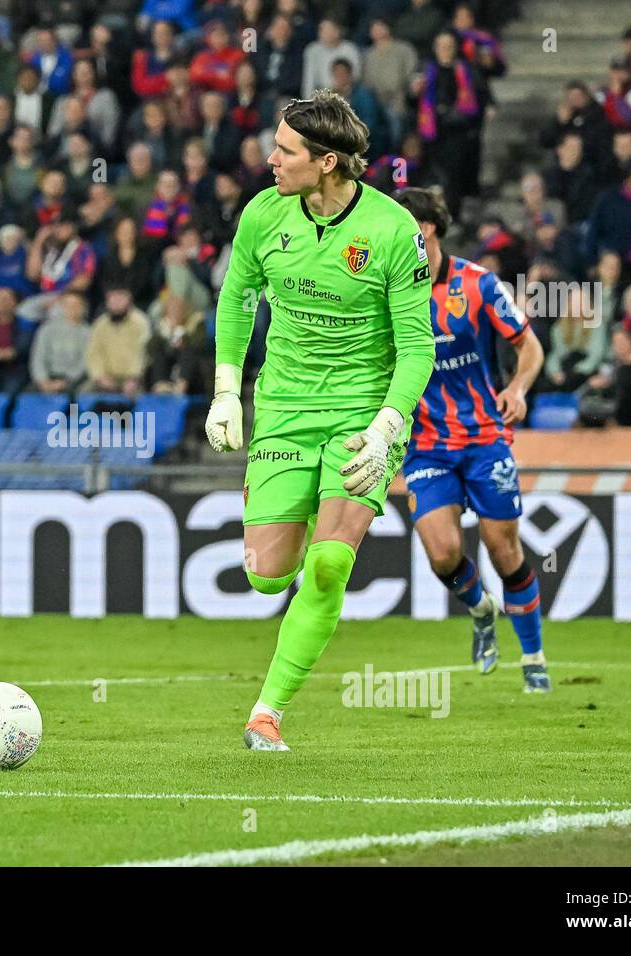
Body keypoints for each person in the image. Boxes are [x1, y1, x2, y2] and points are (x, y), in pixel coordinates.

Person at [208, 91, 435, 751]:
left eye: (285, 151)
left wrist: (389, 425)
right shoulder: (262, 215)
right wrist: (227, 391)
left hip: (363, 413)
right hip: (282, 406)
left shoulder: (393, 232)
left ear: (327, 162)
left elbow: (417, 346)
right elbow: (236, 299)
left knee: (331, 565)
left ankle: (265, 714)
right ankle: (299, 506)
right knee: (266, 575)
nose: (269, 159)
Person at [396, 188, 550, 693]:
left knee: (502, 548)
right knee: (442, 553)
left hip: (485, 436)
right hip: (427, 442)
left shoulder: (478, 284)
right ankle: (481, 610)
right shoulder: (388, 291)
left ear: (429, 228)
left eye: (405, 224)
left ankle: (533, 658)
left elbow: (528, 346)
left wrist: (518, 388)